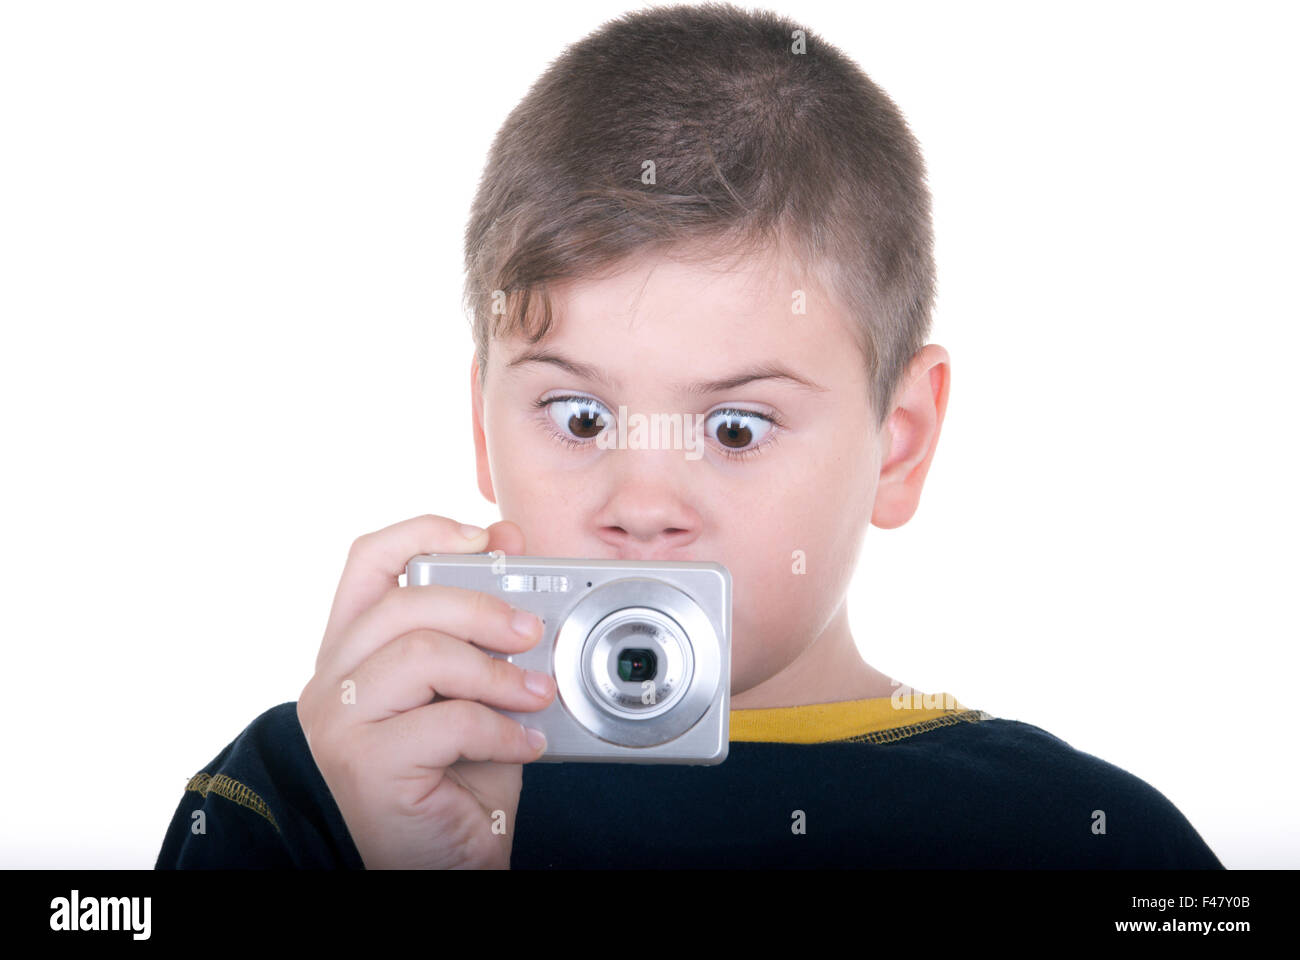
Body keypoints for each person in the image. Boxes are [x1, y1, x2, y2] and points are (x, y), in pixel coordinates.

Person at [156, 3, 1223, 869]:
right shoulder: (315, 789)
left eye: (734, 426)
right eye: (578, 417)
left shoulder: (1085, 846)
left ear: (897, 444)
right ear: (483, 427)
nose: (643, 503)